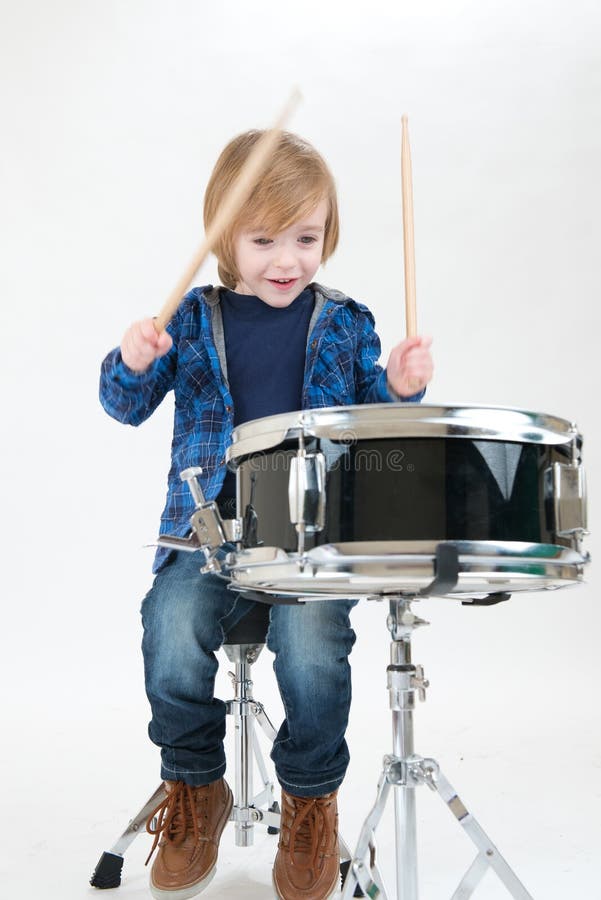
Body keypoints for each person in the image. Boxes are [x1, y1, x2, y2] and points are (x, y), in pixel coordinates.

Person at [99, 129, 433, 900]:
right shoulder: (189, 317)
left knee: (313, 645)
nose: (287, 260)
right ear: (223, 236)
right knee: (169, 628)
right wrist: (133, 361)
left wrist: (401, 386)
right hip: (207, 528)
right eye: (263, 240)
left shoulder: (345, 321)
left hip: (313, 535)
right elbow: (125, 406)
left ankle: (310, 803)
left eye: (306, 238)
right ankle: (196, 785)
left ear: (327, 237)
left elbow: (379, 422)